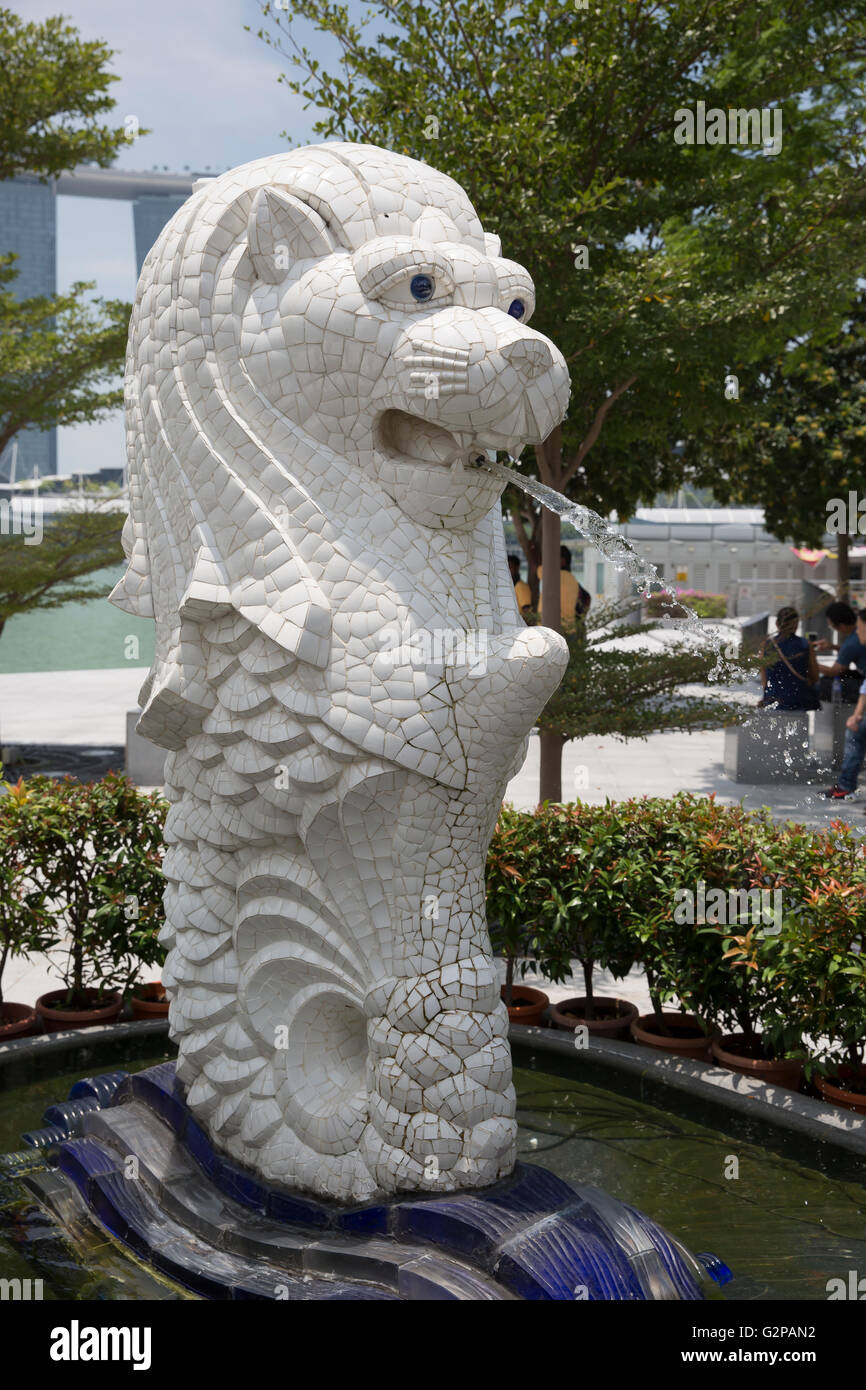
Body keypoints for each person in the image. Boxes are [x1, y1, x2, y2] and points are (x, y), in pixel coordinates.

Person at [824, 607, 866, 800]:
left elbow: (836, 671)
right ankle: (845, 785)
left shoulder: (853, 642)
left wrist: (857, 715)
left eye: (861, 628)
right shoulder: (854, 642)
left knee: (855, 734)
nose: (858, 633)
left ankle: (845, 785)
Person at [758, 606, 820, 710]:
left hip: (773, 701)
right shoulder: (806, 645)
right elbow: (814, 677)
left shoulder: (766, 645)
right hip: (799, 702)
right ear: (796, 625)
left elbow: (764, 679)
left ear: (777, 623)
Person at [813, 600, 866, 699]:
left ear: (841, 626)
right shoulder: (855, 638)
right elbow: (855, 650)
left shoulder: (852, 642)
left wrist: (810, 663)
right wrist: (834, 647)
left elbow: (834, 671)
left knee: (825, 684)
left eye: (832, 626)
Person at [538, 545, 582, 628]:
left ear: (563, 560)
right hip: (569, 626)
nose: (550, 561)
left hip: (555, 629)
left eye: (553, 558)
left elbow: (539, 569)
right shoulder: (572, 579)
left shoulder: (555, 575)